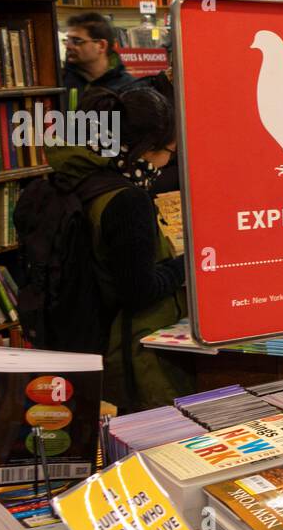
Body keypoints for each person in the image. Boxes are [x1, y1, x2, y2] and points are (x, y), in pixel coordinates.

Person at [47, 85, 193, 410]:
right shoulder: (127, 201)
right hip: (128, 351)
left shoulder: (74, 178)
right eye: (169, 152)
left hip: (77, 340)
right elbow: (138, 290)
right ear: (145, 148)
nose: (167, 162)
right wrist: (187, 263)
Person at [62, 12, 133, 108]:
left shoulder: (128, 87)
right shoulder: (60, 82)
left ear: (101, 46)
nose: (68, 46)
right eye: (67, 40)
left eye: (76, 41)